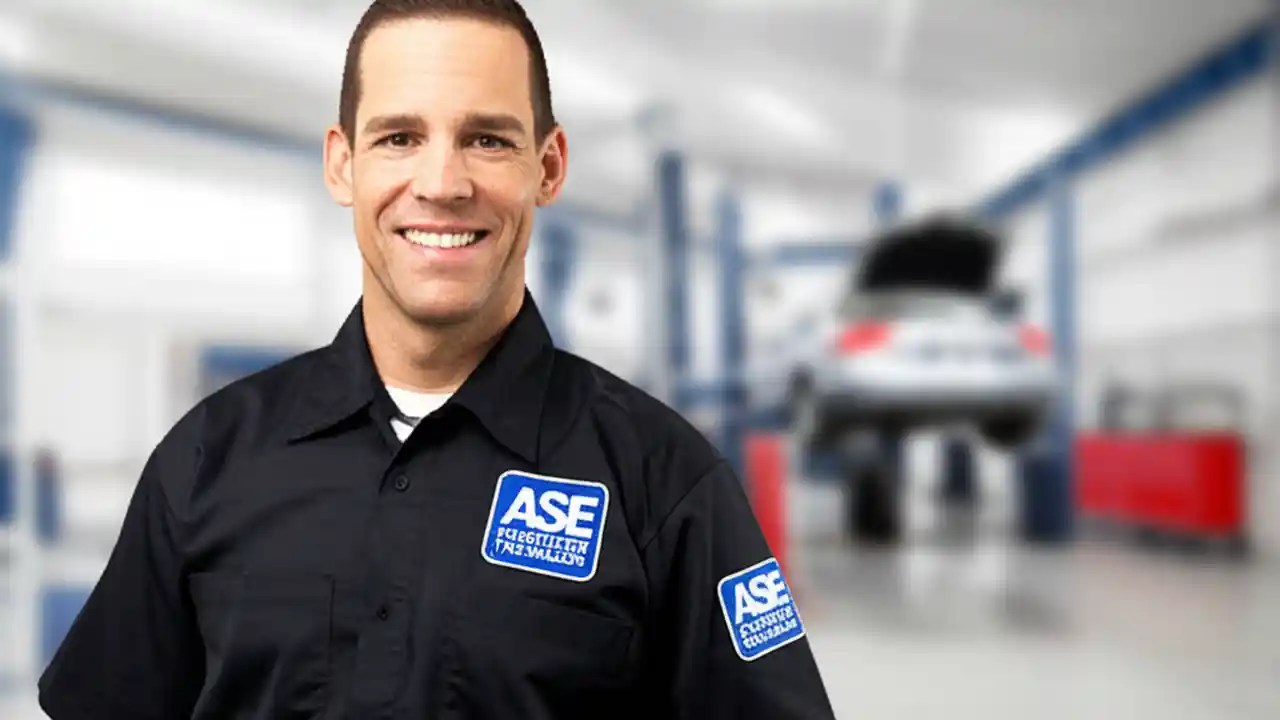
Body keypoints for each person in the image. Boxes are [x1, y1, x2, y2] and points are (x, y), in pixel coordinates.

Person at [38, 1, 836, 717]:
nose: (442, 182)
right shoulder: (208, 458)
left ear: (548, 167)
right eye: (400, 137)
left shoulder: (665, 484)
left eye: (487, 138)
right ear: (342, 163)